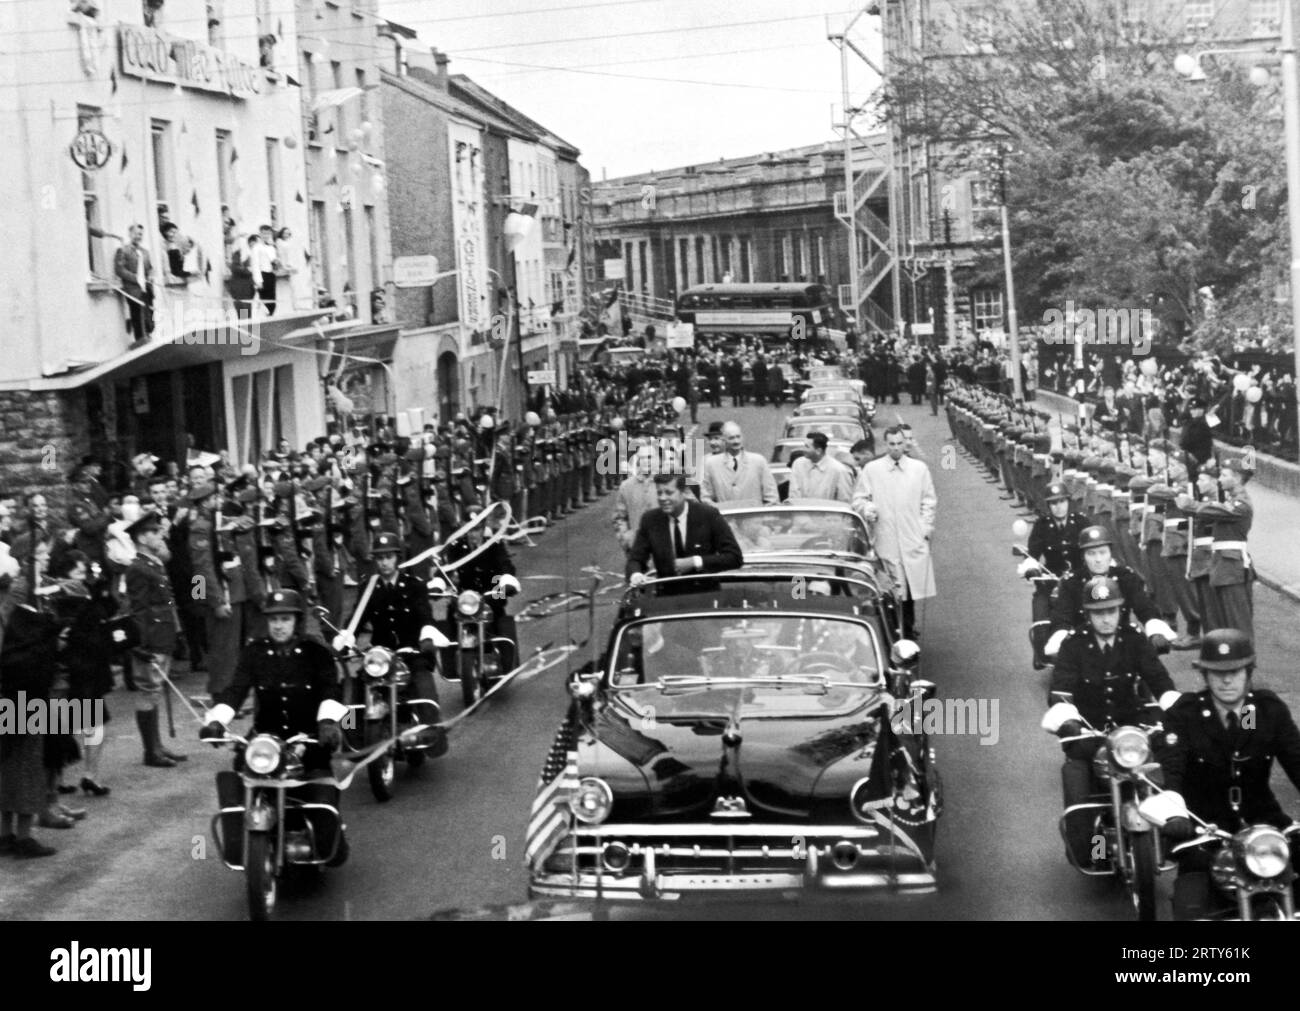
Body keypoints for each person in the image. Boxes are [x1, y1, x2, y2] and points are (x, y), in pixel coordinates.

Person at [1146, 629, 1300, 920]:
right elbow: (1173, 766)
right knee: (1190, 904)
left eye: (1235, 671)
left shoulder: (1260, 711)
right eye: (1217, 673)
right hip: (1206, 827)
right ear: (1204, 675)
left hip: (1264, 823)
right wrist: (1174, 811)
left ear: (1248, 672)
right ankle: (1098, 851)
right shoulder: (1186, 714)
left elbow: (1295, 759)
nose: (1227, 680)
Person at [201, 590, 350, 868]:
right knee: (237, 777)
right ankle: (243, 846)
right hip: (265, 744)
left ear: (296, 621)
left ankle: (327, 835)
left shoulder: (315, 652)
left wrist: (328, 722)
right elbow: (236, 690)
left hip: (308, 742)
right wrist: (217, 720)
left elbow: (331, 688)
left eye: (285, 619)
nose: (278, 625)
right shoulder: (255, 652)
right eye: (273, 620)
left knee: (326, 822)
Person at [1041, 576, 1181, 869]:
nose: (1106, 619)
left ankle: (1173, 842)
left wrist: (1174, 710)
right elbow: (1060, 692)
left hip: (1132, 732)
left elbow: (1158, 679)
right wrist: (1069, 723)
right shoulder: (1074, 644)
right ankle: (1095, 849)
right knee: (1080, 793)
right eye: (1098, 612)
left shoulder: (1134, 638)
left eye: (1111, 611)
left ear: (1120, 610)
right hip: (1089, 735)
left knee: (1170, 766)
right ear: (1088, 614)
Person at [331, 531, 447, 756]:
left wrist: (427, 636)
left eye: (388, 557)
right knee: (351, 691)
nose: (384, 562)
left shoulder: (414, 585)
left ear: (397, 558)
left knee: (425, 688)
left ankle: (433, 740)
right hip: (380, 656)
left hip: (412, 653)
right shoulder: (369, 587)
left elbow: (425, 614)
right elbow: (357, 617)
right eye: (380, 558)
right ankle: (351, 740)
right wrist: (347, 637)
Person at [851, 426, 936, 640]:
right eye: (892, 444)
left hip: (911, 535)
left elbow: (929, 501)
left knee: (909, 589)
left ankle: (907, 628)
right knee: (889, 588)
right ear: (886, 444)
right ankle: (891, 630)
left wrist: (924, 528)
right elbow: (859, 499)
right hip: (885, 537)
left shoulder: (919, 469)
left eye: (899, 444)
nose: (896, 448)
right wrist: (867, 509)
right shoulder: (872, 469)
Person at [1045, 525, 1175, 660]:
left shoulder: (1126, 577)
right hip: (1084, 645)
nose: (1098, 559)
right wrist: (1061, 639)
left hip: (1121, 641)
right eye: (1091, 553)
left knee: (1151, 671)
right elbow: (1061, 616)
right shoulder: (1072, 582)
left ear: (1110, 553)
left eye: (1102, 552)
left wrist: (1155, 631)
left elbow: (1144, 607)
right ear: (1083, 556)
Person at [124, 513, 188, 768]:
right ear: (141, 537)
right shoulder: (137, 568)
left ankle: (157, 745)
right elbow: (138, 610)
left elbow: (166, 601)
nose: (159, 533)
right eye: (153, 531)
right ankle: (150, 751)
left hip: (163, 634)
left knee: (155, 692)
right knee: (148, 691)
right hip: (151, 639)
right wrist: (142, 645)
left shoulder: (153, 564)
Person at [1176, 456, 1254, 642]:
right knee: (1223, 619)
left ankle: (1246, 664)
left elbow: (1214, 511)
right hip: (1222, 567)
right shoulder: (1231, 500)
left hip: (1232, 568)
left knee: (1238, 622)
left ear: (1237, 477)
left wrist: (1191, 504)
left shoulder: (1240, 504)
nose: (1219, 479)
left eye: (1224, 475)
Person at [626, 473, 743, 592]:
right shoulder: (650, 520)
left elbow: (734, 557)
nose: (662, 498)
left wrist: (695, 562)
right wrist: (636, 575)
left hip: (705, 597)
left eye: (669, 492)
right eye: (659, 493)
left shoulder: (708, 515)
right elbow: (635, 559)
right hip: (667, 600)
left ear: (684, 492)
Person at [1020, 480, 1088, 669]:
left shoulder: (1081, 522)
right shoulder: (1042, 525)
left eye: (1062, 501)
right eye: (1054, 503)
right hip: (1051, 579)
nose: (1058, 507)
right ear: (1049, 506)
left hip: (1079, 580)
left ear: (1068, 501)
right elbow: (1031, 554)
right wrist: (1032, 568)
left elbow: (1093, 549)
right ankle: (1041, 653)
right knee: (1040, 610)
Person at [698, 422, 778, 505]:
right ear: (724, 440)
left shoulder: (758, 460)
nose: (736, 441)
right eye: (731, 438)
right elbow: (703, 494)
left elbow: (771, 495)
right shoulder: (708, 462)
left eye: (738, 437)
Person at [612, 444, 661, 559]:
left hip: (665, 548)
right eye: (642, 458)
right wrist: (626, 538)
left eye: (649, 457)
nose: (645, 461)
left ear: (657, 460)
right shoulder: (627, 486)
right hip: (638, 549)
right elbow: (619, 518)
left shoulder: (669, 482)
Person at [114, 223, 154, 341]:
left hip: (147, 290)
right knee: (138, 319)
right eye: (136, 234)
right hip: (133, 291)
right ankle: (141, 344)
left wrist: (151, 276)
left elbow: (150, 268)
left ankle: (149, 340)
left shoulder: (145, 252)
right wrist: (136, 278)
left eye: (140, 234)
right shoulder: (123, 250)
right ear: (130, 234)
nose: (138, 236)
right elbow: (119, 270)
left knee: (149, 321)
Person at [787, 432, 854, 502]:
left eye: (807, 447)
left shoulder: (838, 470)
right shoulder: (798, 464)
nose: (803, 449)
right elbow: (793, 493)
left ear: (818, 451)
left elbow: (844, 500)